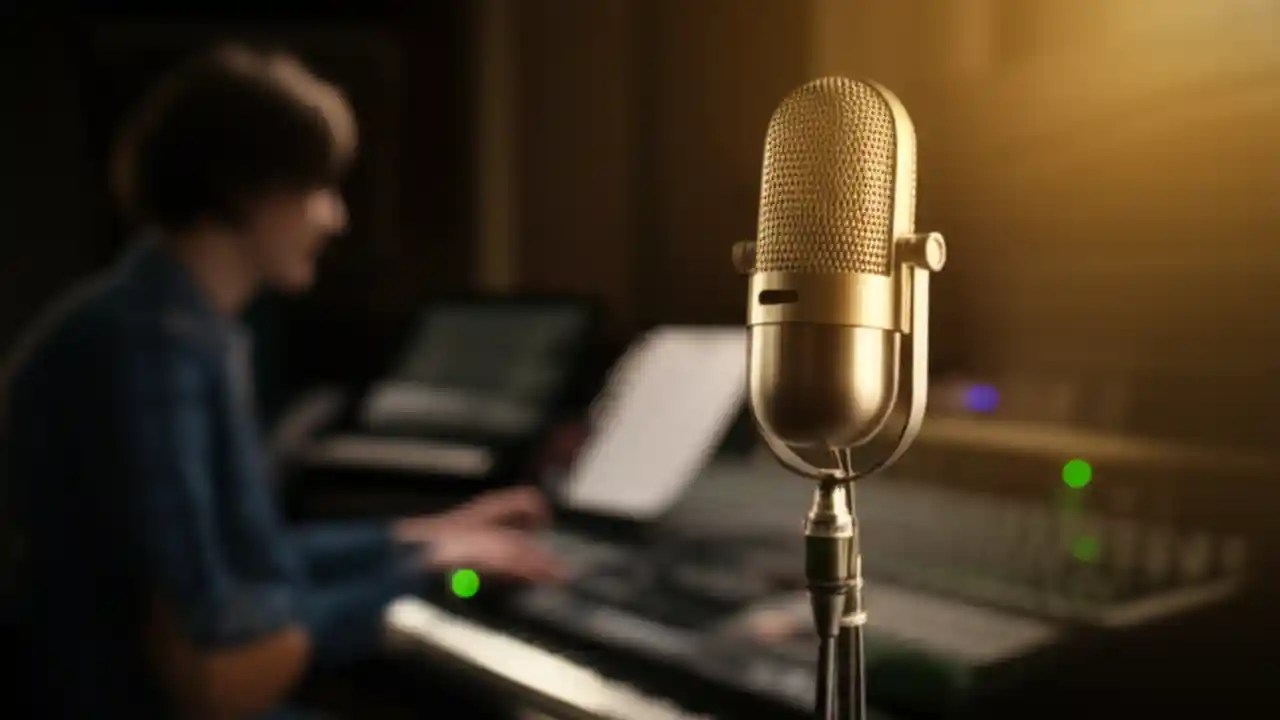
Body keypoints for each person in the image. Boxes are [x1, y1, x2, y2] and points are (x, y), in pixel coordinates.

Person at [1, 44, 566, 718]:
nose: (335, 218)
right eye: (319, 189)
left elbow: (252, 563)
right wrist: (416, 574)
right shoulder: (150, 346)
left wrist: (423, 537)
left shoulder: (179, 324)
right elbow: (222, 638)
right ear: (248, 190)